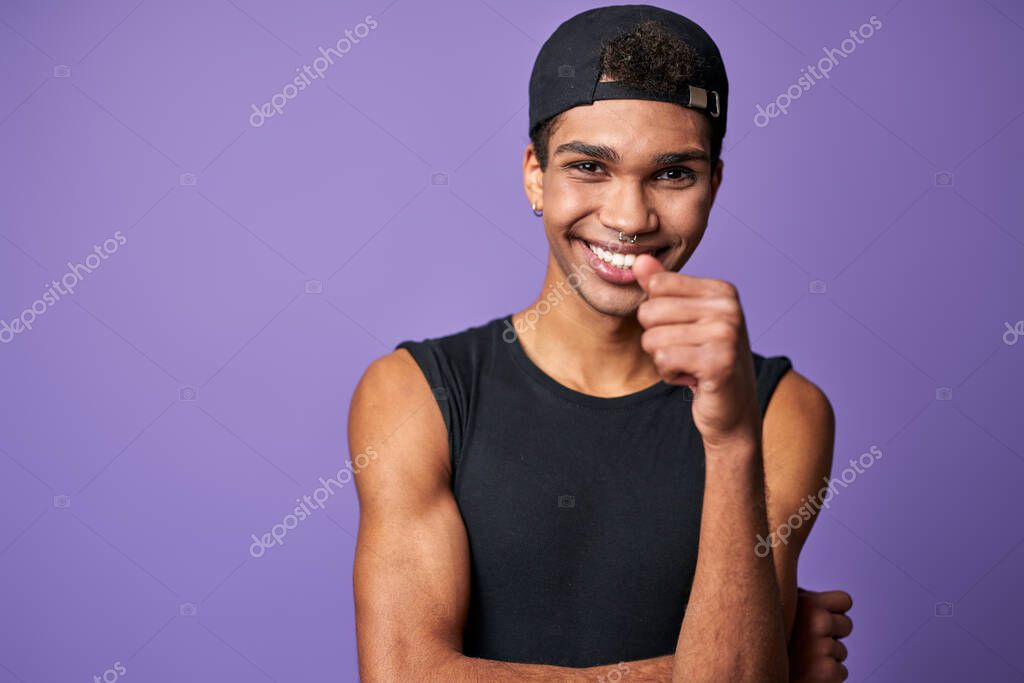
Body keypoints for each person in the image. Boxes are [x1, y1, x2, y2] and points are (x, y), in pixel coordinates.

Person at [351, 5, 853, 681]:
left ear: (714, 185)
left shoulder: (783, 412)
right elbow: (404, 675)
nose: (628, 216)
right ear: (536, 175)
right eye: (590, 166)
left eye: (673, 173)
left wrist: (731, 436)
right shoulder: (414, 393)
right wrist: (762, 658)